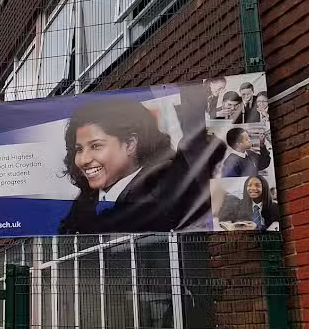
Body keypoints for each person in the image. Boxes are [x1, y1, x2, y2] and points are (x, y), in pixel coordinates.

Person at [58, 98, 218, 234]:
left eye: (96, 146)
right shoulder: (84, 204)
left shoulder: (167, 192)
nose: (83, 160)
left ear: (130, 144)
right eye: (79, 149)